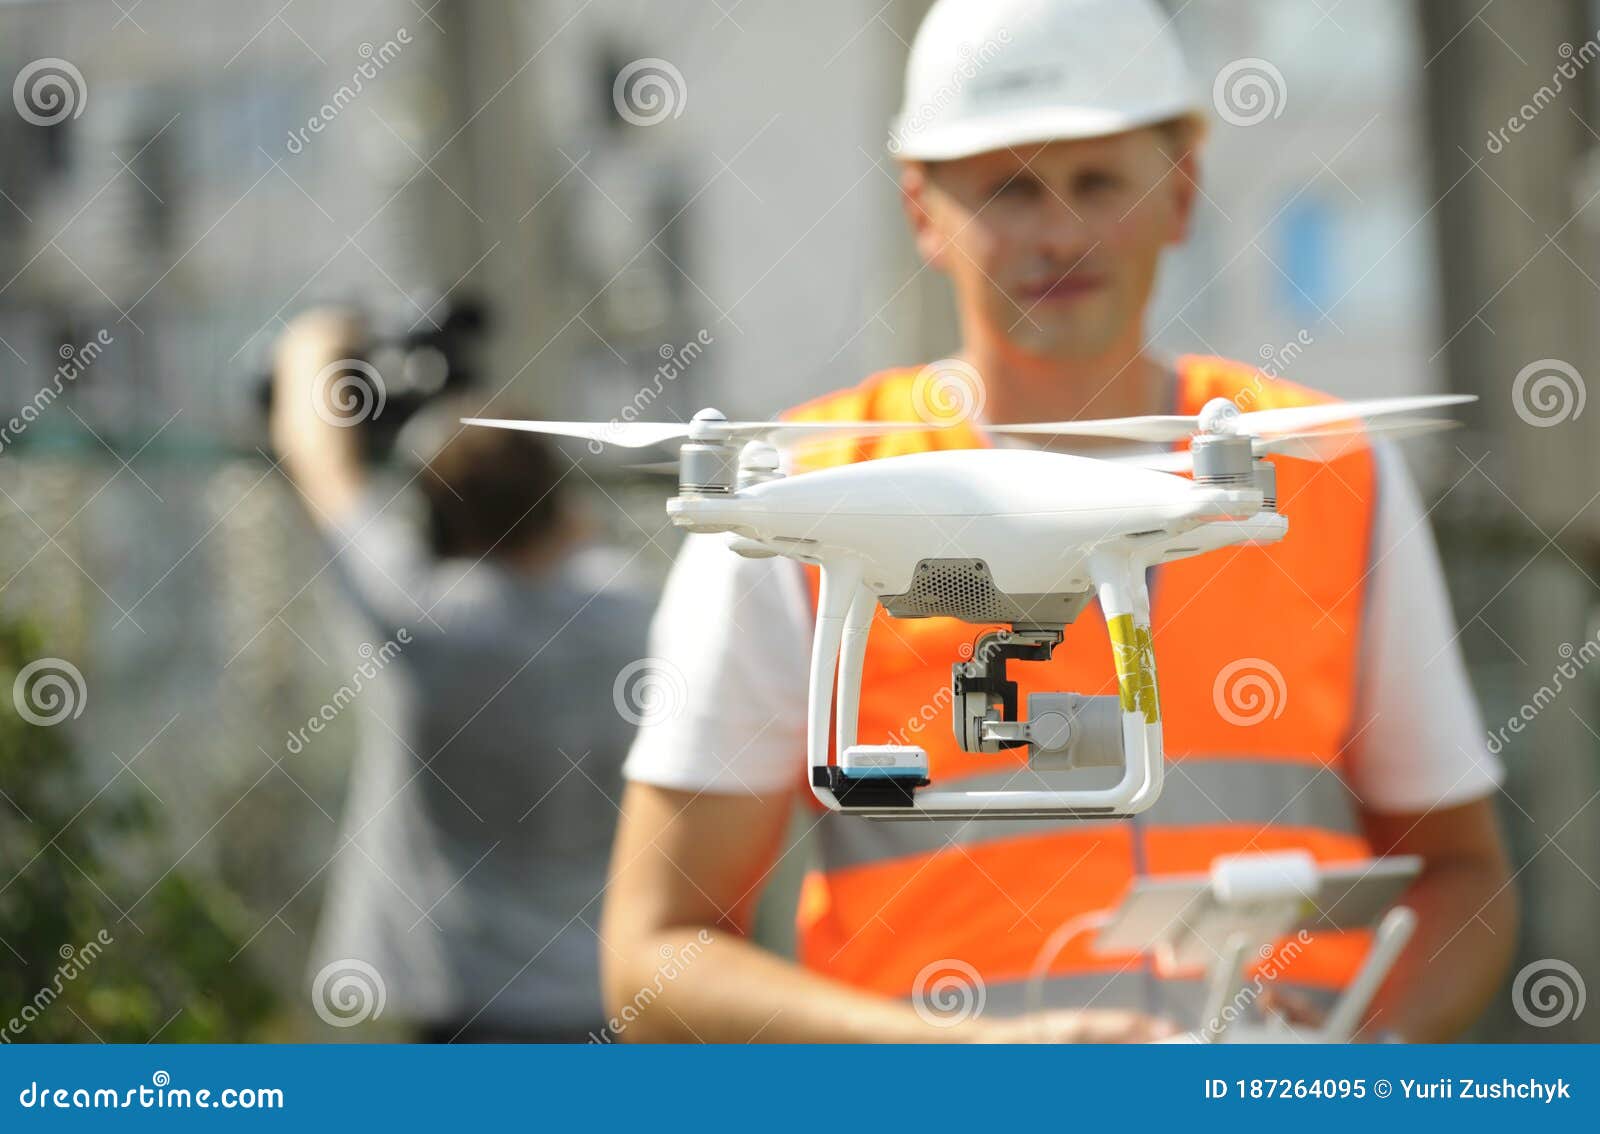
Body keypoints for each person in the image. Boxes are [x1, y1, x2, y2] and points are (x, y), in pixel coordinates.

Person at [600, 0, 1517, 1043]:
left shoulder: (1329, 469)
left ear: (1180, 193)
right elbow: (652, 957)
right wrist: (975, 1063)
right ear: (921, 211)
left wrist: (1347, 1062)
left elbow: (1463, 877)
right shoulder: (802, 501)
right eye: (1008, 189)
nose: (1059, 232)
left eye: (1096, 182)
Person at [271, 309, 652, 1042]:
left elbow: (313, 454)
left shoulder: (422, 621)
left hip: (459, 995)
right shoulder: (633, 616)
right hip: (607, 985)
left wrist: (321, 337)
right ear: (560, 505)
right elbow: (579, 549)